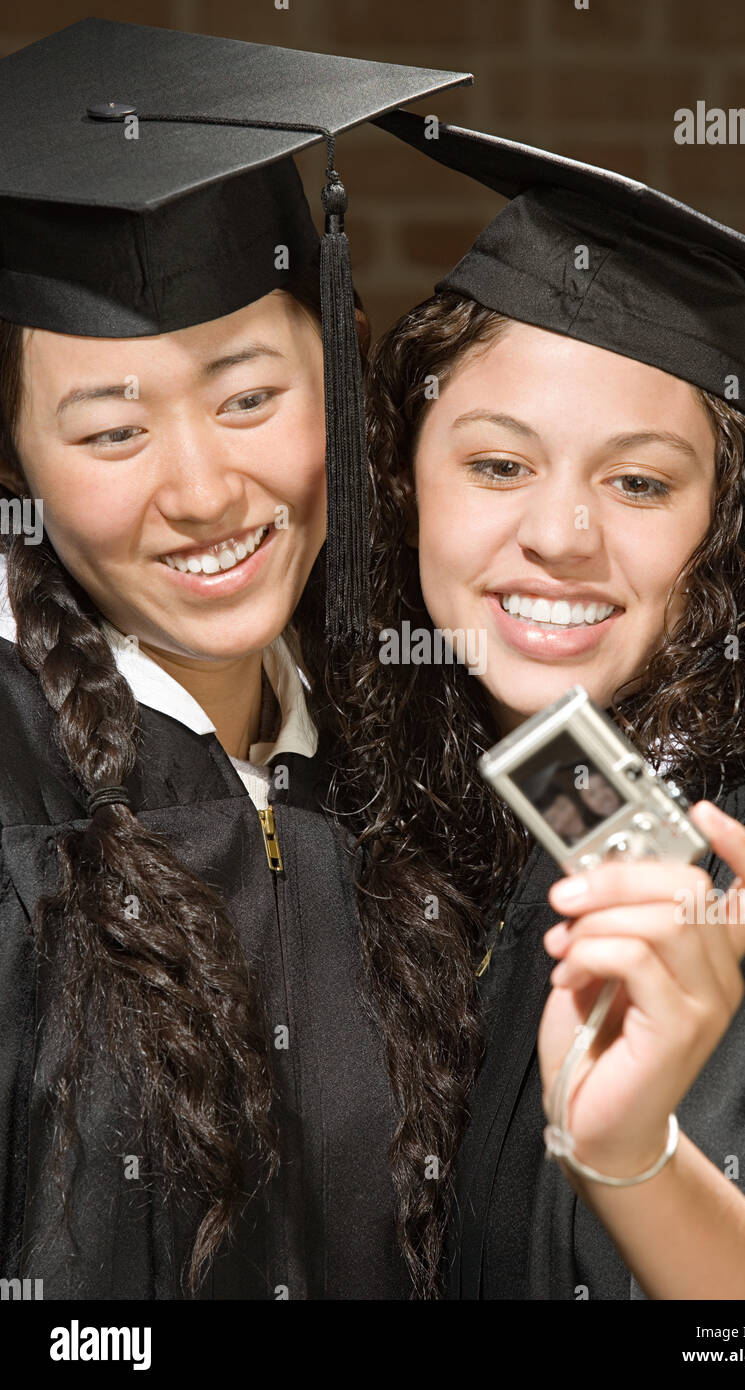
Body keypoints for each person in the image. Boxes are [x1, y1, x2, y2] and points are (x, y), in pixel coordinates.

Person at [320, 113, 745, 1298]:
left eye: (637, 482)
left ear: (732, 524)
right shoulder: (416, 816)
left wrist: (633, 1157)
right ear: (403, 475)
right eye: (499, 464)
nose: (561, 537)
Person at [0, 19, 469, 1299]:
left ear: (341, 367)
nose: (204, 490)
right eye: (109, 433)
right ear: (17, 468)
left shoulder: (409, 757)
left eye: (252, 396)